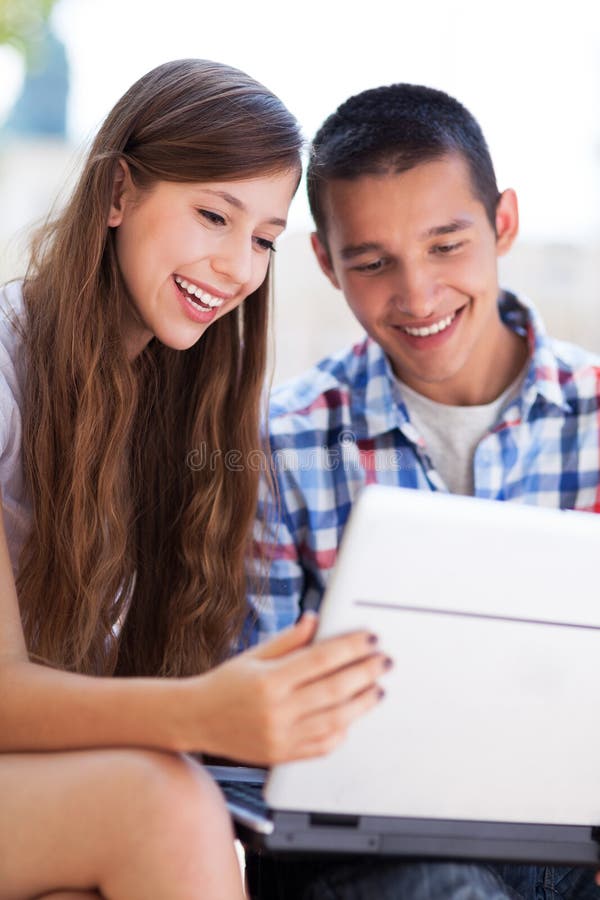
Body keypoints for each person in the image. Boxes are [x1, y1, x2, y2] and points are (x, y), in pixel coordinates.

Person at [0, 59, 390, 900]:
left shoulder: (198, 420)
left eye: (262, 240)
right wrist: (203, 711)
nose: (236, 268)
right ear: (117, 193)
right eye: (213, 214)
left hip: (36, 788)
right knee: (162, 806)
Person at [245, 83, 600, 898]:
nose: (417, 295)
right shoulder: (283, 444)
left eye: (447, 245)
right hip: (376, 854)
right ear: (328, 264)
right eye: (372, 263)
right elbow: (245, 737)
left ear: (503, 224)